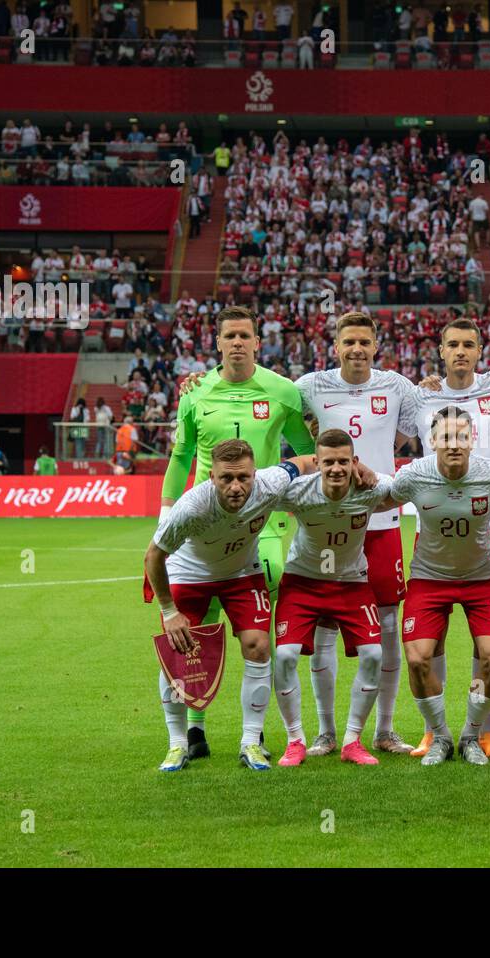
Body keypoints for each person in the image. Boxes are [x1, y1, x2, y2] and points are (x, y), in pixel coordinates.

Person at [159, 305, 315, 760]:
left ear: (257, 341)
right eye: (230, 336)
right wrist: (165, 515)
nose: (238, 343)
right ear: (219, 342)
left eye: (246, 335)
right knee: (199, 630)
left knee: (272, 574)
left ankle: (259, 730)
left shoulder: (282, 391)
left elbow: (305, 451)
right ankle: (194, 728)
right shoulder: (196, 391)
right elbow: (181, 458)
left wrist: (312, 511)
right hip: (205, 518)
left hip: (261, 514)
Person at [293, 312, 424, 755]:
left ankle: (384, 730)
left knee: (388, 626)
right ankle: (327, 732)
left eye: (364, 342)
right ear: (335, 346)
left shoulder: (397, 387)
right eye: (349, 341)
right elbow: (274, 402)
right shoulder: (310, 385)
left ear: (375, 346)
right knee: (327, 624)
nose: (356, 349)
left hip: (381, 521)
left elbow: (408, 434)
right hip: (329, 522)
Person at [400, 318, 490, 758]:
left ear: (480, 350)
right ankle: (432, 731)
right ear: (440, 350)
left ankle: (484, 730)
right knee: (428, 645)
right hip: (433, 526)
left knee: (488, 646)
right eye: (452, 344)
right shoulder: (421, 395)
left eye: (468, 345)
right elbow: (390, 435)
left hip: (488, 522)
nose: (460, 351)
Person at [144, 439, 317, 772]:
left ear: (255, 474)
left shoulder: (271, 482)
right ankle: (177, 744)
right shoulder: (192, 507)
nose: (236, 487)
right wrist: (169, 612)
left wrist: (347, 466)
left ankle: (251, 741)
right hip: (189, 573)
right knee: (175, 654)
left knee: (259, 646)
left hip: (241, 572)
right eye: (227, 479)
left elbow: (307, 460)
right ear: (212, 476)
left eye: (244, 478)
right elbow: (153, 556)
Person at [385, 407, 490, 766]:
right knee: (417, 661)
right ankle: (440, 735)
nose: (454, 444)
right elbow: (381, 498)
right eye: (446, 437)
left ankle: (471, 736)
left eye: (462, 437)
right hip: (429, 579)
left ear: (472, 440)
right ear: (432, 442)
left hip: (484, 579)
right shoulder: (414, 475)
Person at [271, 429, 394, 766]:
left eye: (343, 461)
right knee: (284, 656)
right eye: (328, 462)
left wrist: (375, 473)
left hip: (351, 584)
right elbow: (260, 489)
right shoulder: (299, 493)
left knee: (372, 654)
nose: (336, 468)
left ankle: (353, 741)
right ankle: (295, 739)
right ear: (318, 463)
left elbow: (407, 487)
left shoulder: (370, 489)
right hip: (302, 584)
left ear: (354, 462)